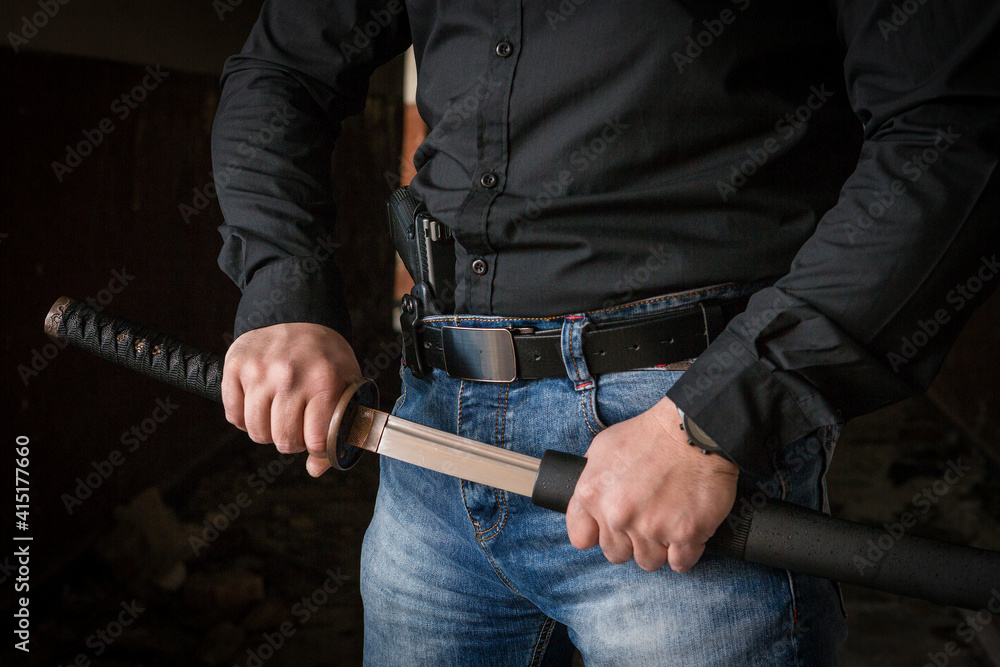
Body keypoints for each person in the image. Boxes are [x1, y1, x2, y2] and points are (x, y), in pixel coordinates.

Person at [211, 1, 1000, 664]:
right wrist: (285, 292)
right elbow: (282, 71)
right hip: (431, 451)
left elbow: (954, 130)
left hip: (678, 449)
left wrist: (718, 417)